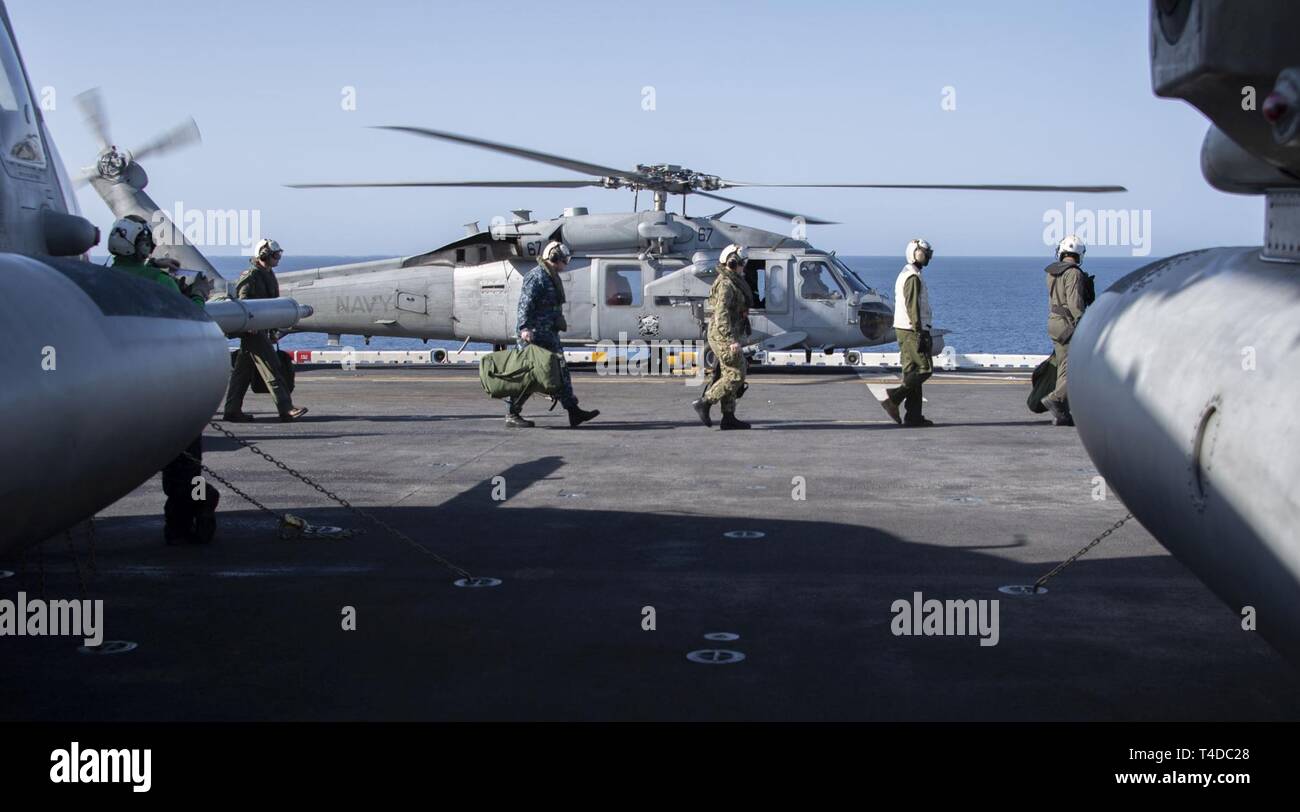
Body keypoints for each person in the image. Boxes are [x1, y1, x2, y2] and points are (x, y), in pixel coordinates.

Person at [106, 215, 220, 544]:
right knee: (184, 461)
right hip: (166, 388)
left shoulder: (103, 277)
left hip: (120, 387)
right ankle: (185, 521)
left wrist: (152, 265)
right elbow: (191, 317)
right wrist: (198, 293)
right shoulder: (161, 282)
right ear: (142, 244)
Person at [505, 240, 599, 428]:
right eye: (564, 260)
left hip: (548, 334)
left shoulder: (551, 276)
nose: (566, 264)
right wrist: (524, 329)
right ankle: (512, 414)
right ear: (554, 257)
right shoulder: (537, 276)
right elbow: (525, 304)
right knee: (528, 376)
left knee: (561, 371)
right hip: (533, 336)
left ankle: (574, 412)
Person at [222, 238, 307, 422]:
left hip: (261, 328)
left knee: (242, 373)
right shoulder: (251, 276)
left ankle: (232, 409)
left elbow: (271, 305)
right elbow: (242, 302)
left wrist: (273, 330)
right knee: (272, 368)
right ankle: (286, 408)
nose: (278, 258)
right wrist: (250, 326)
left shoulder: (268, 274)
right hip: (253, 330)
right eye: (275, 255)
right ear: (264, 255)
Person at [692, 244, 753, 430]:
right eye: (742, 263)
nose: (744, 267)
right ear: (733, 263)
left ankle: (728, 417)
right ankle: (705, 402)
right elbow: (721, 315)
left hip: (728, 333)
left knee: (730, 373)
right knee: (736, 374)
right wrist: (730, 340)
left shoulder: (732, 281)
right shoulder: (726, 284)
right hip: (723, 335)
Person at [879, 238, 935, 427]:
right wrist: (919, 331)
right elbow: (913, 307)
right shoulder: (912, 277)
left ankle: (913, 416)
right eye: (925, 252)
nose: (927, 256)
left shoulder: (909, 273)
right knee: (924, 369)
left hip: (904, 329)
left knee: (911, 371)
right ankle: (893, 398)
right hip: (912, 330)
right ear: (916, 253)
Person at [1042, 235, 1089, 426]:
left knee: (1064, 366)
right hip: (1068, 324)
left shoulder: (1052, 272)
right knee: (1075, 367)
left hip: (1054, 321)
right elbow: (1074, 303)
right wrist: (1083, 322)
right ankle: (1055, 399)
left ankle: (1061, 413)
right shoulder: (1074, 274)